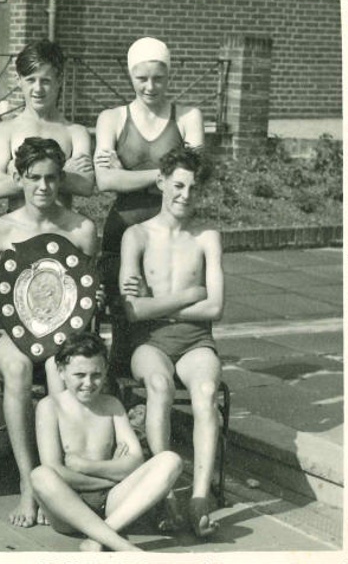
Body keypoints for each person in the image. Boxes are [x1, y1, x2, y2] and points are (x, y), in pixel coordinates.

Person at [0, 137, 98, 527]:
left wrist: (92, 294)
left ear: (61, 178)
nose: (43, 187)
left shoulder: (81, 228)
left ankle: (58, 481)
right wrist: (3, 292)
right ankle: (28, 482)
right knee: (15, 369)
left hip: (63, 332)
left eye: (51, 178)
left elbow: (85, 299)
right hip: (10, 330)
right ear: (19, 177)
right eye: (34, 178)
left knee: (56, 363)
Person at [120, 146, 223, 538]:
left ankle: (198, 496)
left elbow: (215, 308)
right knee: (159, 386)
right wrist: (187, 295)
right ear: (161, 182)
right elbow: (133, 312)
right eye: (178, 185)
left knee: (206, 390)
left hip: (197, 341)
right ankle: (163, 494)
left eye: (194, 188)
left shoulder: (207, 238)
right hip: (150, 343)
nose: (185, 195)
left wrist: (156, 305)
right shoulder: (137, 235)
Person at [94, 36, 204, 383]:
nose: (150, 86)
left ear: (169, 76)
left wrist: (128, 174)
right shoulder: (112, 118)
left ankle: (154, 396)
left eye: (158, 77)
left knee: (168, 319)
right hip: (123, 230)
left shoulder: (188, 116)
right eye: (142, 78)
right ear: (130, 76)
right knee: (124, 316)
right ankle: (118, 400)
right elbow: (105, 181)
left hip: (172, 236)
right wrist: (165, 174)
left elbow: (196, 175)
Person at [32, 331, 183, 551]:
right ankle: (123, 547)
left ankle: (98, 538)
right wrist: (111, 476)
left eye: (96, 375)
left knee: (170, 460)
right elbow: (55, 470)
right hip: (68, 507)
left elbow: (135, 461)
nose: (88, 383)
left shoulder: (112, 405)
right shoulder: (50, 407)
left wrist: (87, 466)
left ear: (105, 372)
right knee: (40, 475)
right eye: (79, 375)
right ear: (61, 372)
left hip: (113, 504)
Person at [0, 39, 94, 212]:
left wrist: (20, 170)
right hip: (18, 226)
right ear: (18, 80)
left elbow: (85, 185)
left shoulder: (76, 132)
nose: (38, 89)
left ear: (59, 80)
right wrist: (61, 171)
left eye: (45, 81)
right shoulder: (6, 130)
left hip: (60, 229)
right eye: (30, 80)